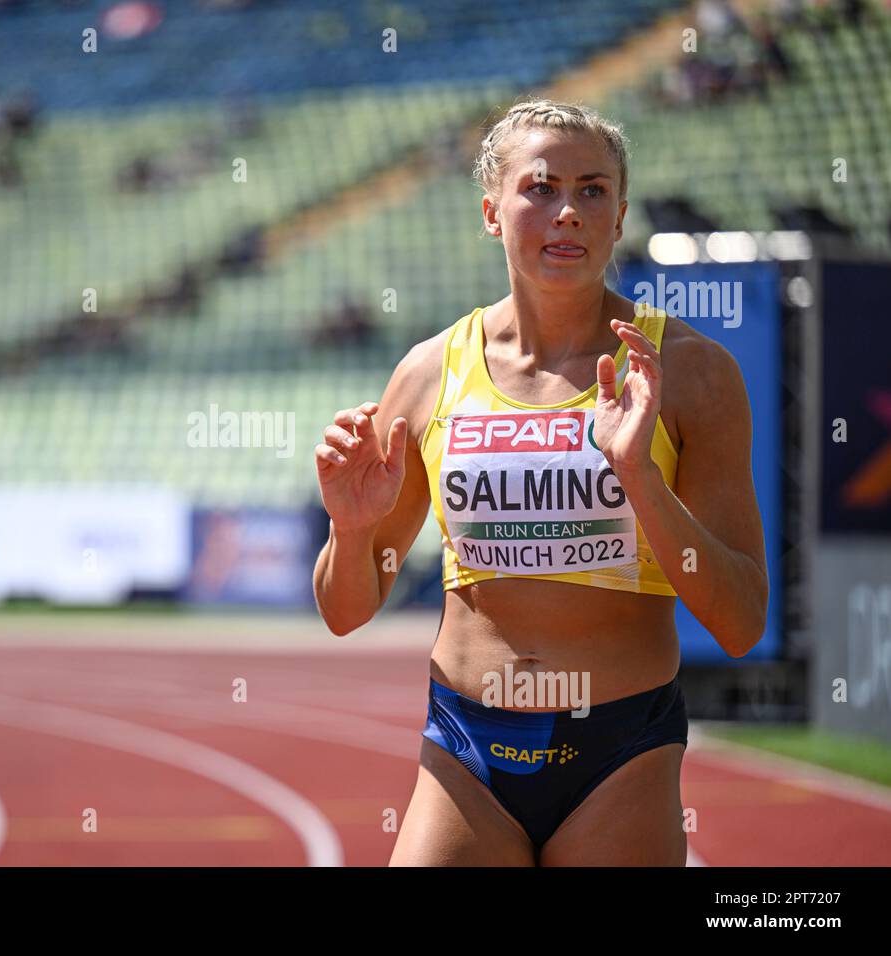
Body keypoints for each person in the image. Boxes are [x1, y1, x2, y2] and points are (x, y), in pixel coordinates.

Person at [311, 99, 768, 866]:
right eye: (541, 188)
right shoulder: (428, 375)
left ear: (620, 217)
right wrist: (353, 532)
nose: (568, 213)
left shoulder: (690, 374)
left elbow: (742, 621)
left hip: (621, 756)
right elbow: (346, 610)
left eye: (593, 191)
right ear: (492, 211)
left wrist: (640, 479)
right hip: (467, 752)